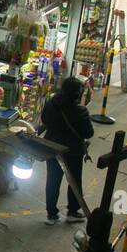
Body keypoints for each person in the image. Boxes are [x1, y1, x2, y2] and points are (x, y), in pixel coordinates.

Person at [39, 76, 94, 225]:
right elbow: (88, 133)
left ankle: (51, 214)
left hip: (52, 148)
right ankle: (72, 212)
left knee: (52, 181)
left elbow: (44, 120)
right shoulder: (80, 110)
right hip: (72, 152)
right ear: (77, 94)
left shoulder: (51, 104)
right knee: (74, 181)